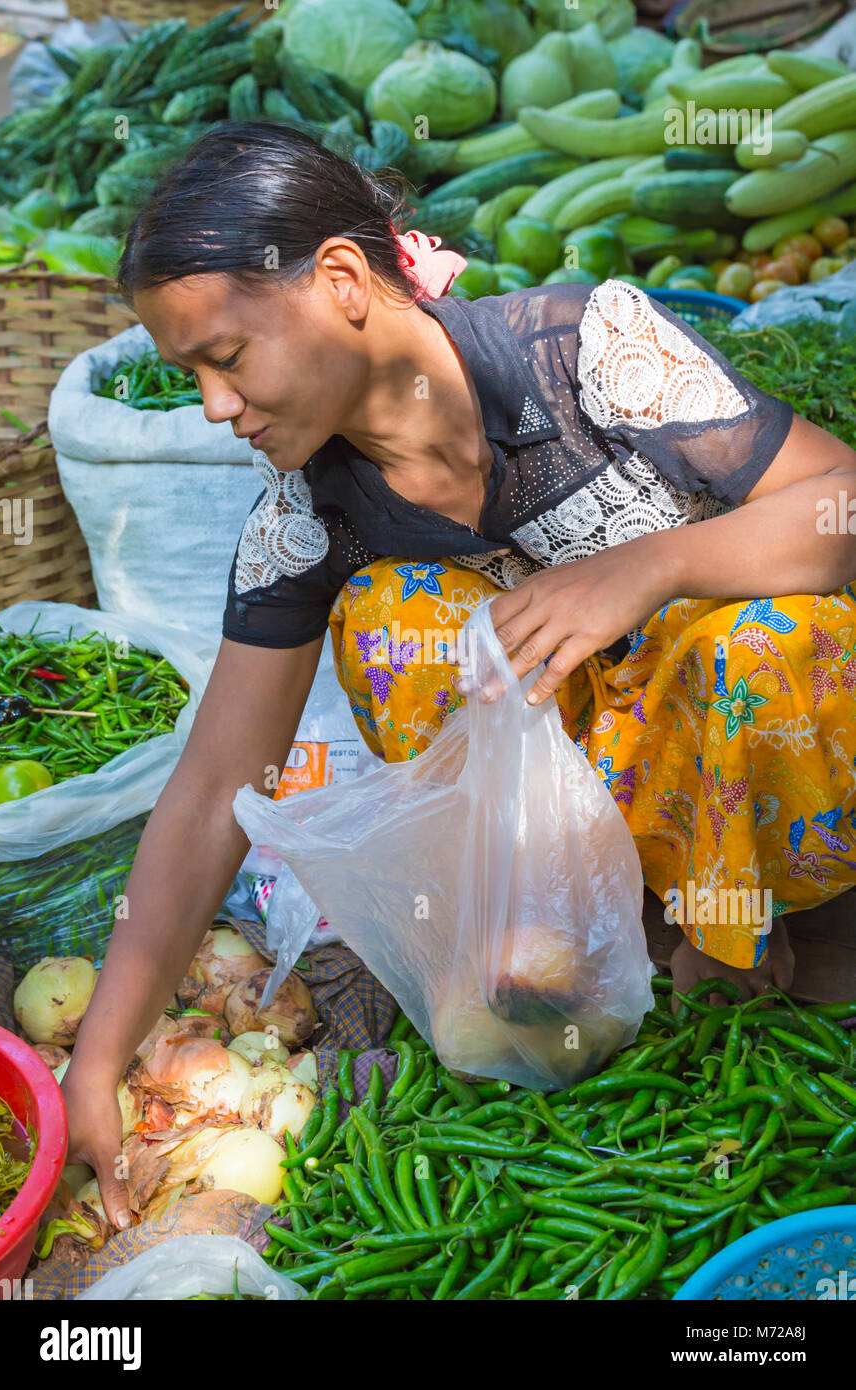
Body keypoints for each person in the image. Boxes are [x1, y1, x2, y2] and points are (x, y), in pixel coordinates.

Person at [63, 122, 856, 1227]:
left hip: (733, 784)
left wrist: (649, 567)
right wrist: (100, 1053)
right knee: (402, 618)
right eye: (191, 373)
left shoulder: (582, 351)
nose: (212, 407)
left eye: (226, 358)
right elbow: (211, 790)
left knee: (767, 644)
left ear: (340, 279)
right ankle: (579, 960)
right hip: (564, 859)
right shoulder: (305, 517)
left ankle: (777, 948)